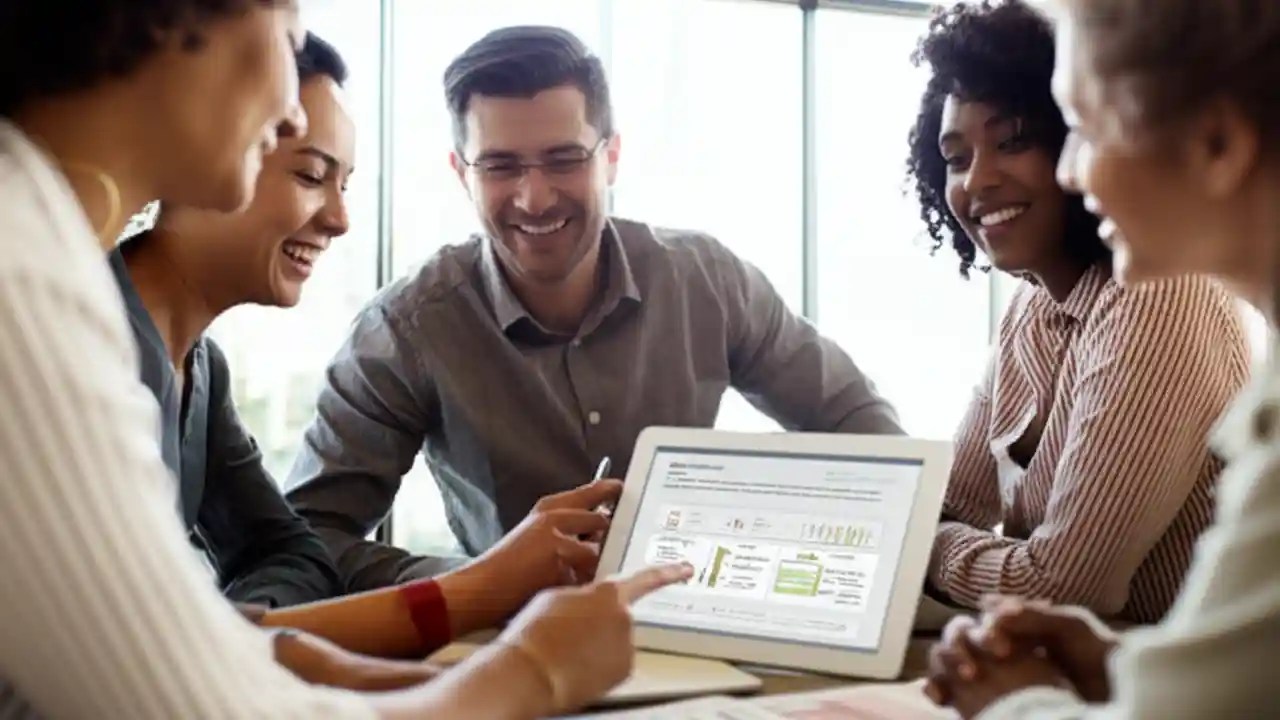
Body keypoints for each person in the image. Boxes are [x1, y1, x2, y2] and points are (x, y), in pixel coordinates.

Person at [0, 2, 690, 718]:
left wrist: (271, 646)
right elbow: (193, 705)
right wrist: (534, 667)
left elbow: (265, 578)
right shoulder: (28, 281)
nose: (339, 218)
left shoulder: (161, 341)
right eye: (288, 31)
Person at [284, 24, 904, 592]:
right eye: (500, 166)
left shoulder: (707, 281)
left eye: (564, 159)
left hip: (698, 613)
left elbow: (861, 425)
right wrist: (486, 581)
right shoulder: (407, 330)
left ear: (610, 157)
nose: (534, 198)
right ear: (462, 173)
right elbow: (308, 543)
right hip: (508, 636)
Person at [924, 0, 1280, 717]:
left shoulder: (1159, 299)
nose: (1071, 172)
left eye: (1082, 129)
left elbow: (1067, 583)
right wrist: (1118, 662)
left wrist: (1015, 703)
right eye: (956, 158)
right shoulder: (1031, 310)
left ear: (1215, 144)